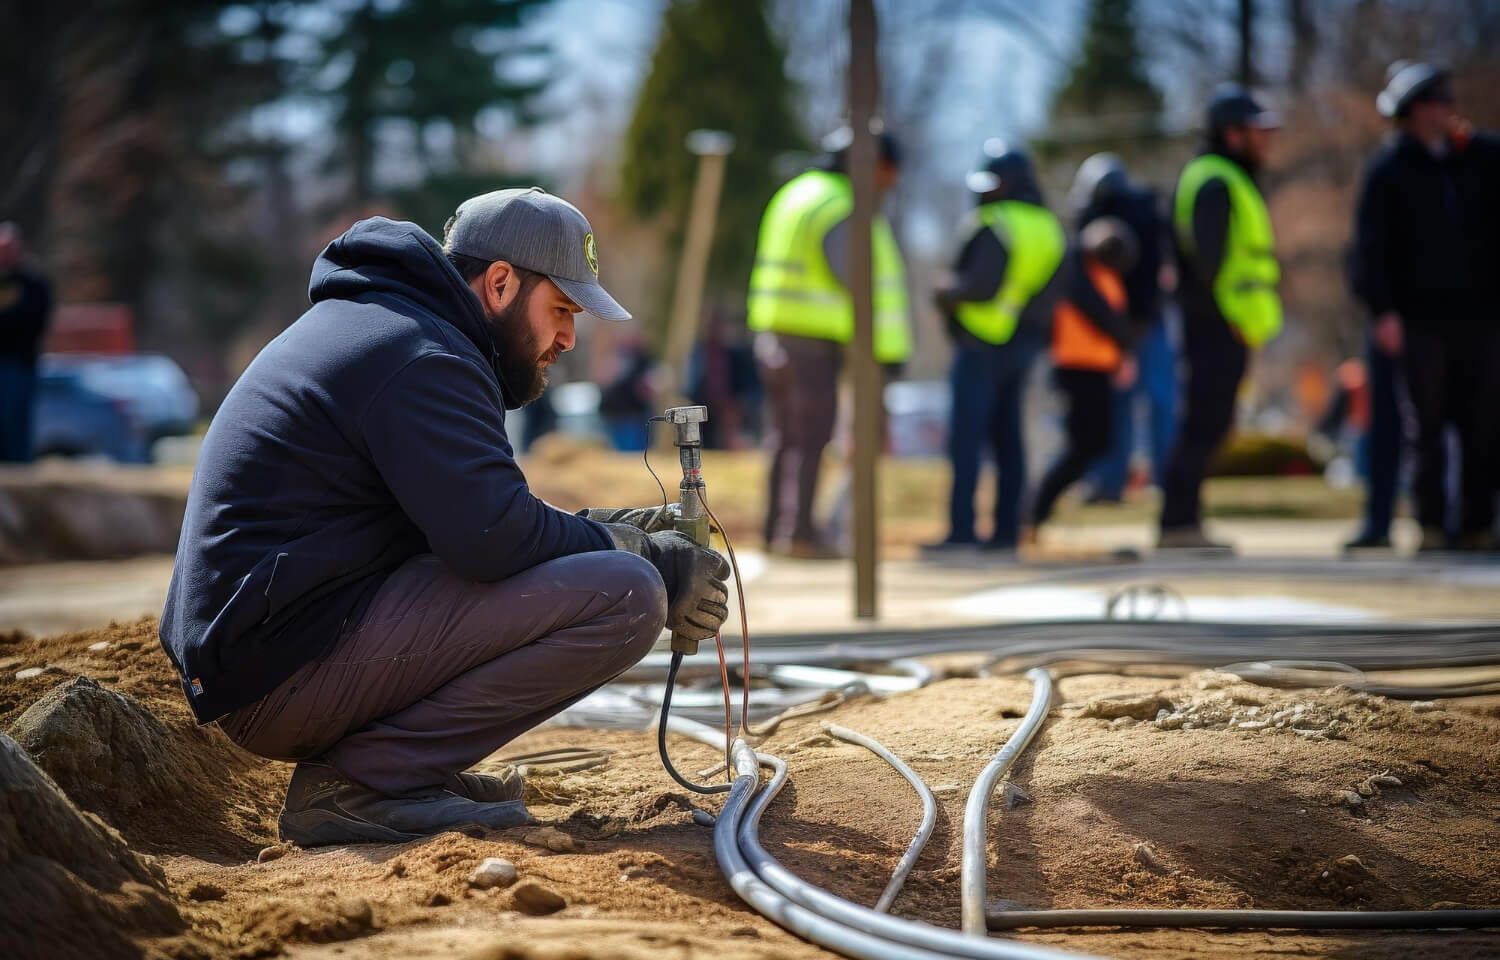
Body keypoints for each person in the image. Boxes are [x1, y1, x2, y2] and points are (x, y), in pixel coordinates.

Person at [160, 188, 731, 847]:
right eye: (562, 309)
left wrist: (616, 529)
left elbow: (476, 521)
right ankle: (363, 785)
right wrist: (647, 556)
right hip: (276, 672)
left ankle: (397, 775)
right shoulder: (425, 355)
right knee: (626, 597)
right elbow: (492, 540)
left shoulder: (396, 326)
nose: (570, 338)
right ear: (498, 283)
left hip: (269, 644)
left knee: (611, 571)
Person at [1349, 62, 1500, 552]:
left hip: (1481, 315)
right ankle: (1431, 524)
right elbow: (1370, 251)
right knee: (1427, 425)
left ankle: (1478, 523)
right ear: (1412, 113)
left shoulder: (1480, 159)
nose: (1448, 110)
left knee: (1482, 421)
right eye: (1437, 103)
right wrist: (1383, 310)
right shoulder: (1388, 171)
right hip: (1419, 319)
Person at [747, 125, 913, 559]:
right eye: (888, 171)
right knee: (810, 438)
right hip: (813, 342)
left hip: (775, 331)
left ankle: (776, 530)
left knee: (785, 437)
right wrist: (882, 351)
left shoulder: (798, 193)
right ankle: (798, 533)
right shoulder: (841, 205)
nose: (890, 183)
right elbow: (854, 278)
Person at [1158, 85, 1283, 551]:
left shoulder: (1226, 176)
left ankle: (1184, 520)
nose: (1265, 140)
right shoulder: (1215, 180)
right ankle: (1177, 523)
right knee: (1203, 422)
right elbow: (1207, 259)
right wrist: (1229, 316)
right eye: (1257, 130)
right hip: (1216, 322)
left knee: (1211, 421)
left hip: (1225, 322)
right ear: (1232, 133)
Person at [925, 141, 1064, 555]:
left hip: (980, 343)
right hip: (1022, 346)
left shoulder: (994, 222)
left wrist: (945, 291)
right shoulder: (1049, 227)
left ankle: (962, 531)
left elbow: (980, 287)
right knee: (1009, 441)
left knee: (966, 440)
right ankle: (1006, 532)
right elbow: (1055, 291)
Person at [1068, 155, 1176, 503]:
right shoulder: (1150, 212)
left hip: (1116, 328)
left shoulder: (1093, 219)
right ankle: (1166, 482)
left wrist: (1122, 331)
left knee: (1118, 406)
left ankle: (1108, 485)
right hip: (1152, 323)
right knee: (1159, 404)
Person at [1029, 218, 1139, 534]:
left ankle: (1036, 511)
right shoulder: (1076, 267)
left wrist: (1121, 355)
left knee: (1093, 444)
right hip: (1077, 366)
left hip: (1098, 367)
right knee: (1084, 445)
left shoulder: (1105, 273)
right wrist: (1125, 343)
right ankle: (1035, 510)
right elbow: (1099, 312)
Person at [0, 223, 54, 463]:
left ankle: (19, 472)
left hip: (18, 365)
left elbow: (33, 322)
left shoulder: (32, 284)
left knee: (15, 423)